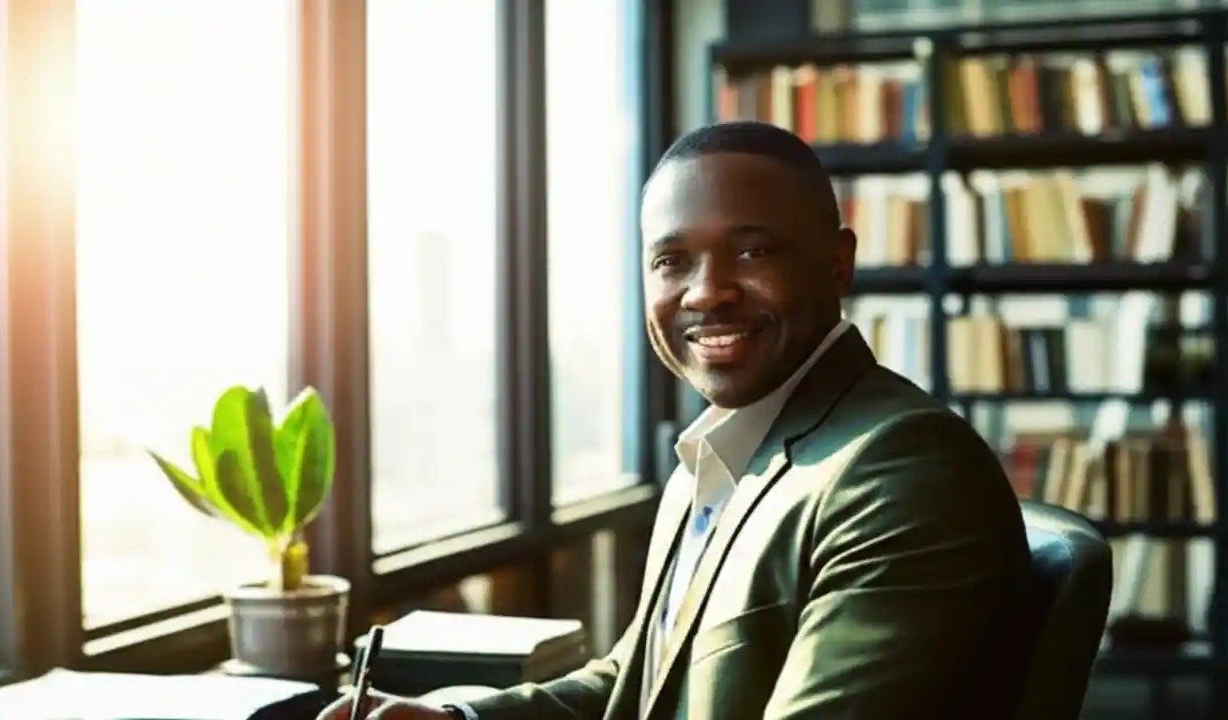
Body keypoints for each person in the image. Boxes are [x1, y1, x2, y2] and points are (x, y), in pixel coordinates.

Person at [317, 121, 1031, 720]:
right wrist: (459, 719)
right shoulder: (720, 450)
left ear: (838, 263)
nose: (707, 291)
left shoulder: (901, 468)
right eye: (672, 260)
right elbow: (640, 682)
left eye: (753, 251)